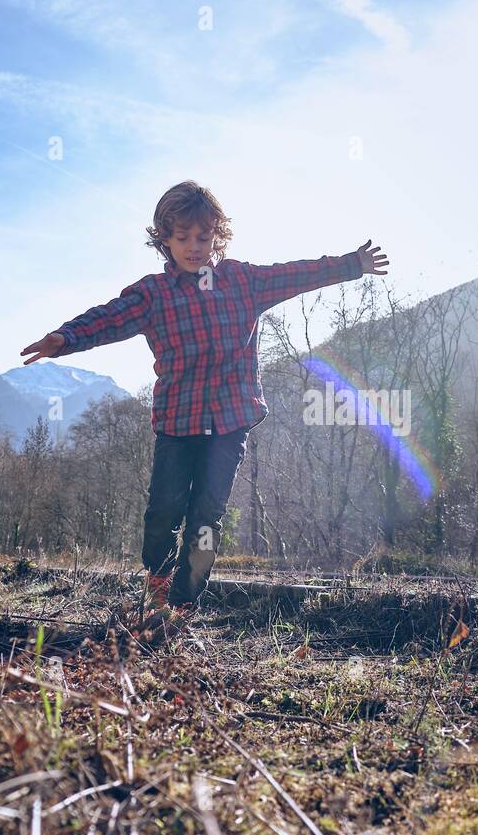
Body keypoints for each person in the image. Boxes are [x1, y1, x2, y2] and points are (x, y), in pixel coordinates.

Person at [19, 180, 388, 640]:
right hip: (177, 421)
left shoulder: (241, 281)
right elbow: (107, 318)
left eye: (203, 236)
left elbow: (297, 274)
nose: (194, 248)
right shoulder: (153, 294)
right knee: (163, 513)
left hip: (230, 421)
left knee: (206, 519)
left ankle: (181, 610)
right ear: (164, 240)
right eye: (182, 238)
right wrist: (64, 338)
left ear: (218, 236)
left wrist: (352, 264)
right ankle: (155, 592)